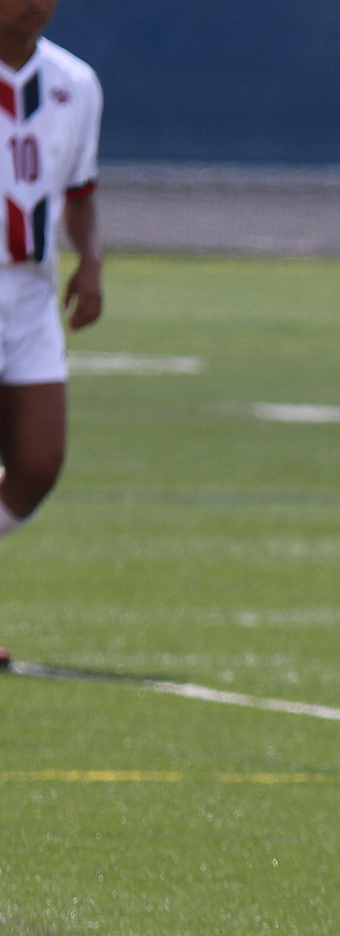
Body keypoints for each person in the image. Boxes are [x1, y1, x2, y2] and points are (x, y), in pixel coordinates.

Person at [0, 0, 103, 671]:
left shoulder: (76, 82)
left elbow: (81, 191)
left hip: (32, 297)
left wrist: (91, 261)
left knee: (39, 464)